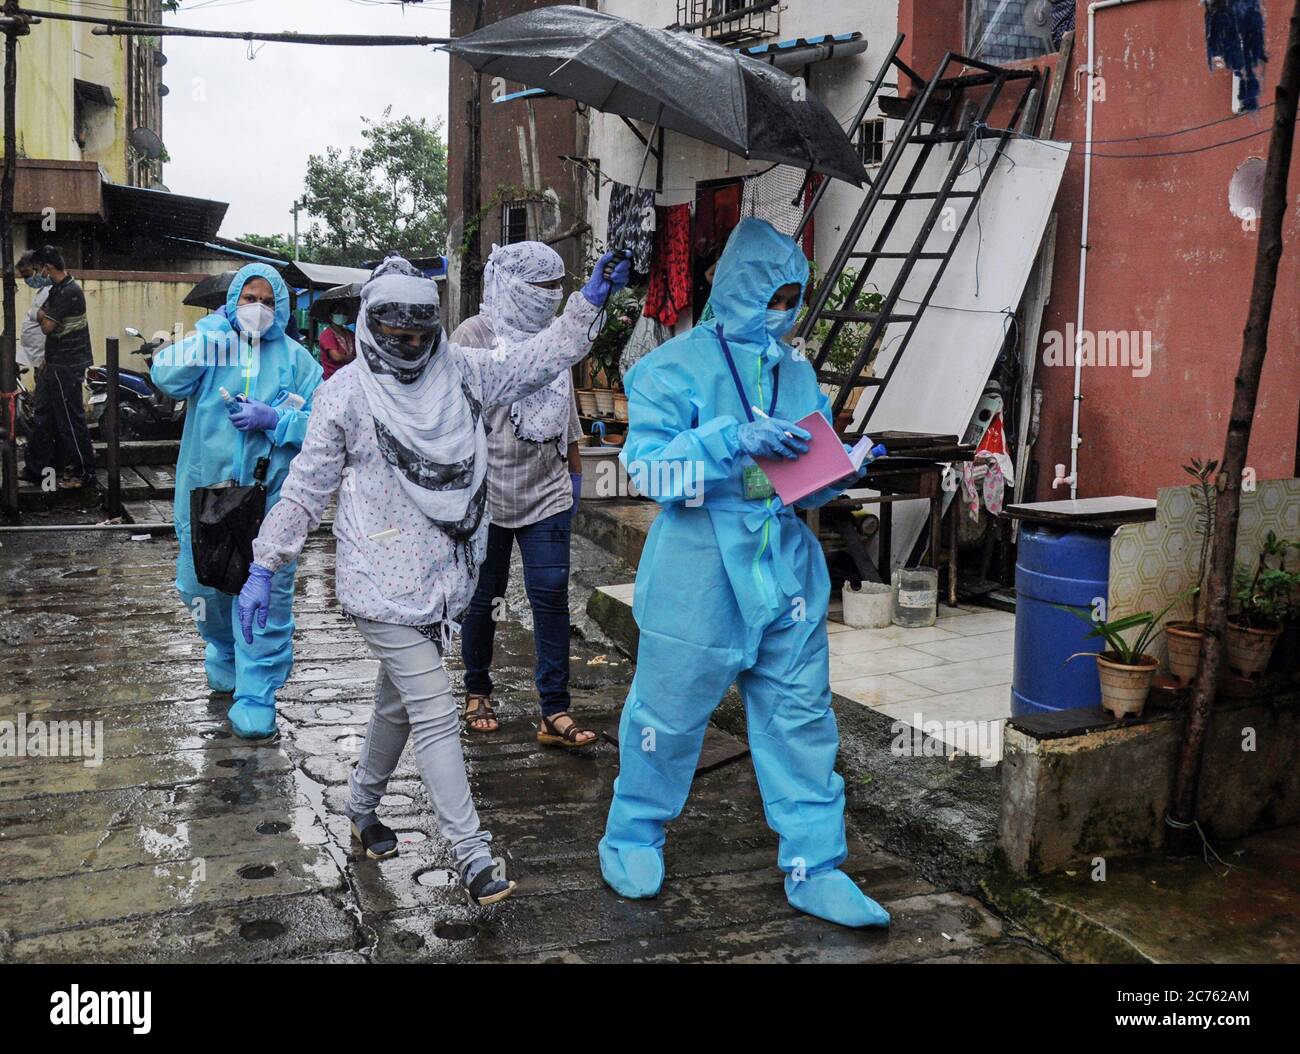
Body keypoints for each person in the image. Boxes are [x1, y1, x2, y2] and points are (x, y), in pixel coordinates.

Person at [236, 251, 630, 907]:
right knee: (435, 708)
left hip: (445, 580)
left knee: (397, 703)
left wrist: (587, 299)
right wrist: (262, 563)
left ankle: (361, 810)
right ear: (373, 327)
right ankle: (473, 854)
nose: (412, 347)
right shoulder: (347, 396)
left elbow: (542, 357)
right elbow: (305, 493)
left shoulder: (466, 374)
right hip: (378, 585)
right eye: (399, 337)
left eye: (423, 335)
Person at [598, 218, 890, 929]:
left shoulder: (795, 373)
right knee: (664, 723)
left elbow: (800, 480)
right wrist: (731, 439)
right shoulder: (670, 369)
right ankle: (632, 834)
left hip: (783, 577)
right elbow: (649, 471)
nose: (783, 313)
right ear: (738, 288)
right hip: (698, 580)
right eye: (773, 296)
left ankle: (814, 867)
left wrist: (839, 469)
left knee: (801, 724)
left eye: (794, 299)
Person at [152, 263, 322, 740]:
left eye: (268, 301)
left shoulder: (298, 362)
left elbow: (327, 428)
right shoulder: (211, 349)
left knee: (265, 595)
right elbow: (165, 376)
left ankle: (256, 693)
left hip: (271, 504)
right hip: (206, 495)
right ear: (232, 302)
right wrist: (210, 335)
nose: (259, 308)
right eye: (249, 298)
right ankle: (223, 650)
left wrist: (276, 420)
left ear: (283, 307)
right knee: (203, 586)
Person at [453, 242, 594, 747]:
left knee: (551, 597)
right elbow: (455, 415)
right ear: (512, 284)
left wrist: (575, 480)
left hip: (548, 490)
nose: (551, 297)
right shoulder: (475, 334)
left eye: (558, 288)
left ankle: (554, 710)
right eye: (540, 287)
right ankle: (477, 690)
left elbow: (570, 414)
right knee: (483, 598)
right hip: (487, 495)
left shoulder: (559, 336)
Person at [22, 245, 97, 491]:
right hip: (54, 363)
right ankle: (38, 469)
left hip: (67, 365)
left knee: (70, 420)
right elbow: (42, 318)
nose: (36, 274)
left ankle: (85, 472)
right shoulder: (58, 290)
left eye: (37, 269)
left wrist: (44, 316)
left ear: (47, 267)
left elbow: (46, 327)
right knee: (44, 414)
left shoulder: (69, 292)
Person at [17, 250, 49, 371]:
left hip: (44, 356)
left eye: (28, 275)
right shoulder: (43, 289)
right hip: (36, 355)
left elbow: (51, 323)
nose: (28, 280)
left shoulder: (54, 290)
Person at [318, 314, 356, 382]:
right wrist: (353, 358)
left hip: (350, 378)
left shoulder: (350, 334)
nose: (341, 315)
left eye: (344, 312)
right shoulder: (327, 334)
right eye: (338, 312)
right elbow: (336, 357)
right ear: (330, 316)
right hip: (332, 379)